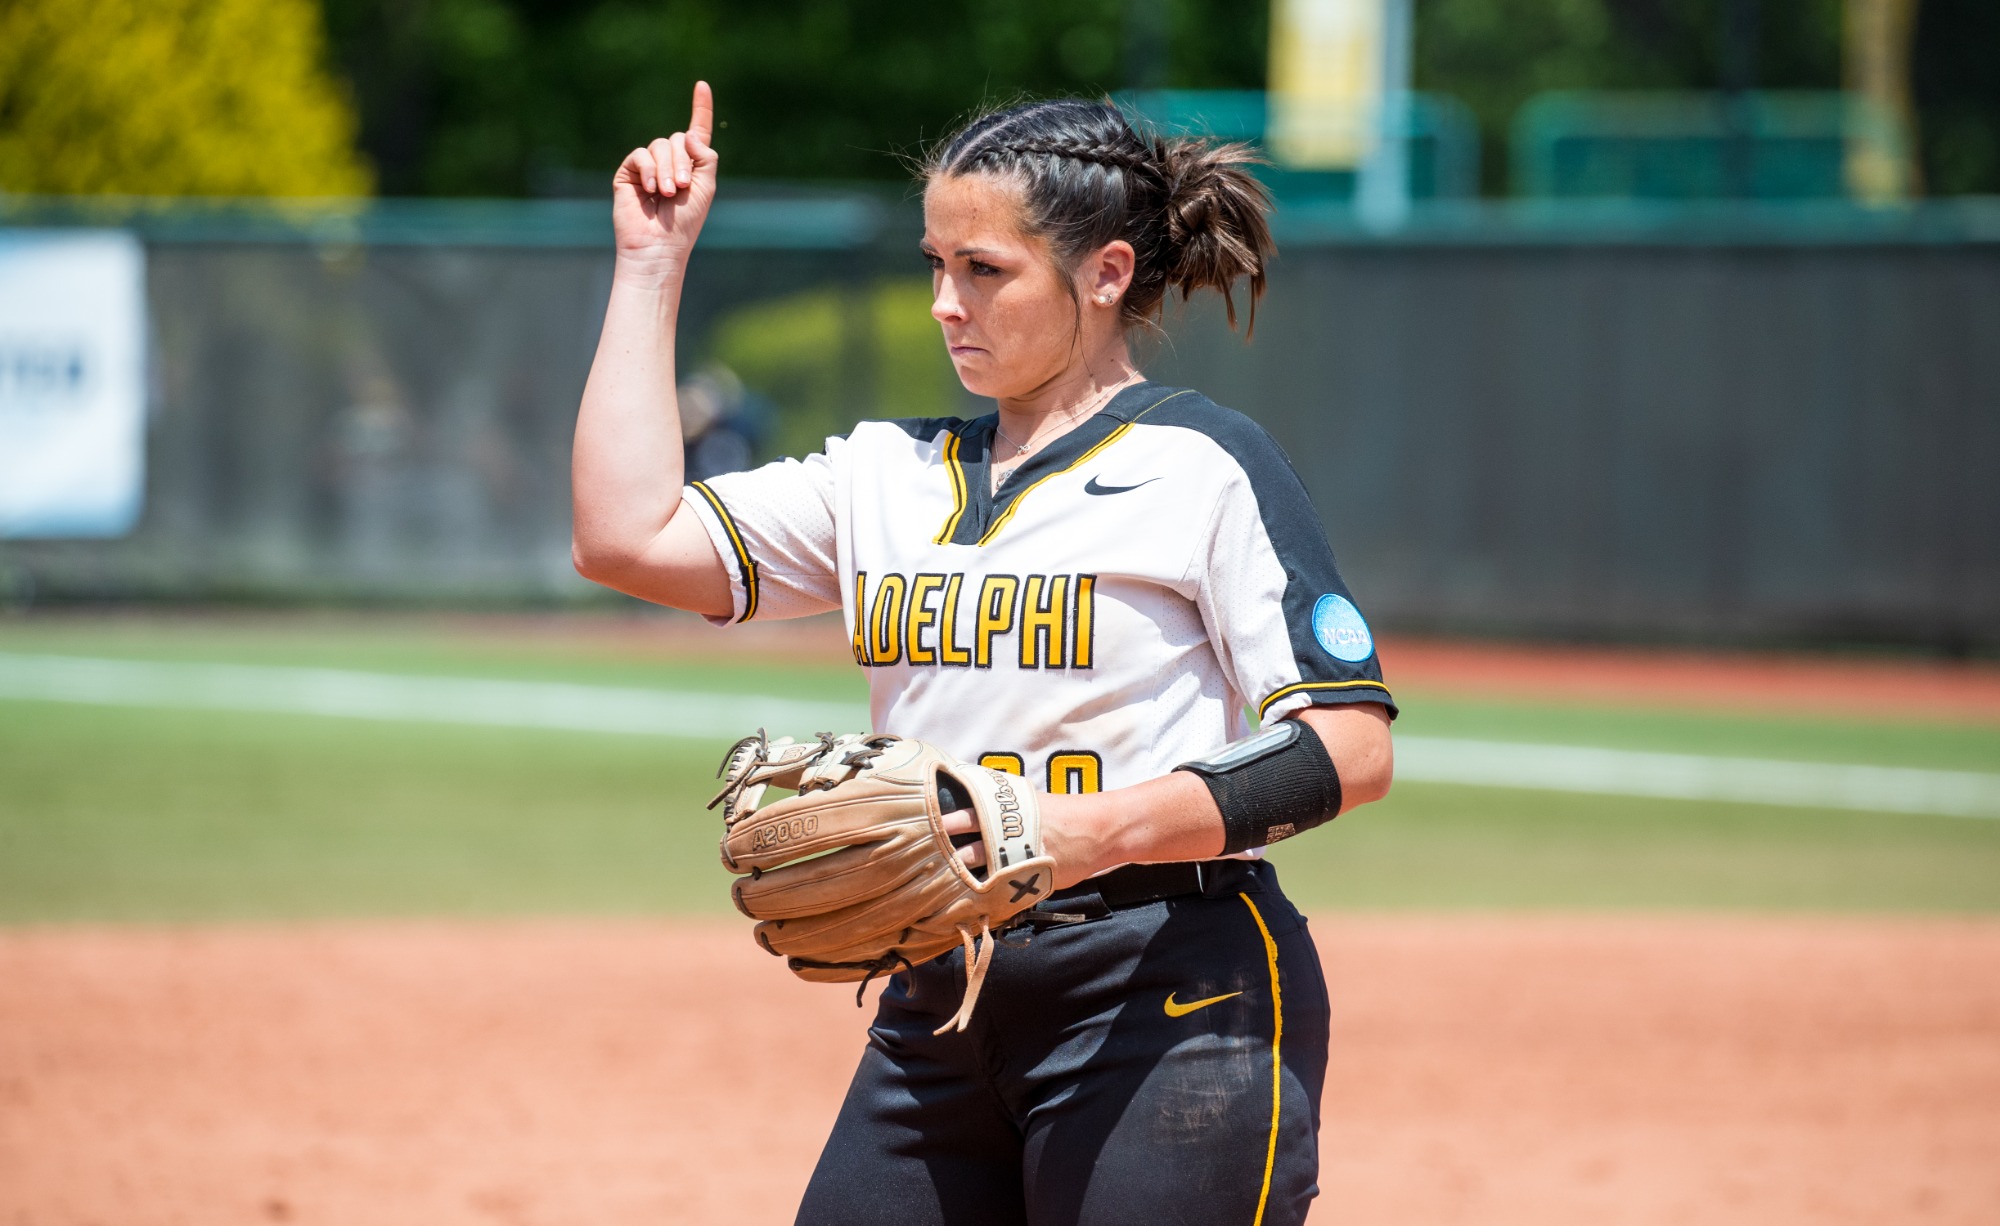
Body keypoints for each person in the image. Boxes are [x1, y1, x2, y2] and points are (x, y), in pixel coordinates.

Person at [572, 81, 1396, 1226]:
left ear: (1105, 273)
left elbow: (1347, 746)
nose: (942, 303)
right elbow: (626, 537)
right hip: (940, 988)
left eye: (983, 269)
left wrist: (1086, 831)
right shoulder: (883, 475)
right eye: (933, 263)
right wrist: (651, 265)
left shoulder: (1201, 464)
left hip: (1168, 988)